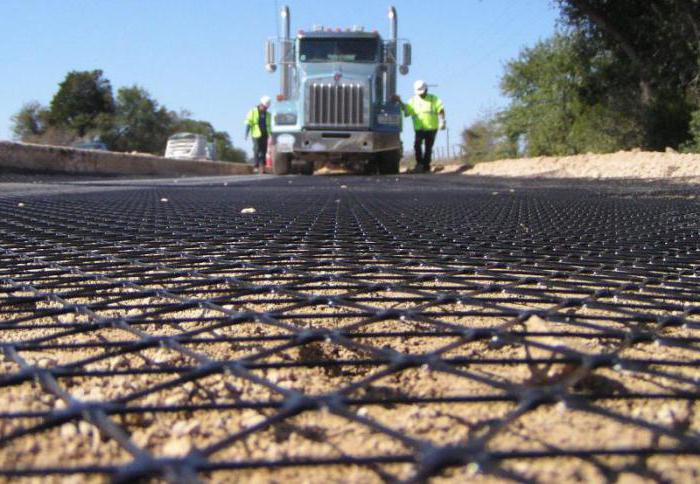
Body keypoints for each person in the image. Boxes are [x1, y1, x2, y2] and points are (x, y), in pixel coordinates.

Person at [394, 80, 446, 173]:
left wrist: (442, 121)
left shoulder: (433, 99)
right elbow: (406, 110)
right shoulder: (413, 101)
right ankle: (419, 164)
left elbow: (440, 109)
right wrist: (400, 101)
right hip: (419, 128)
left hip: (431, 128)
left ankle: (426, 167)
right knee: (417, 145)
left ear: (426, 89)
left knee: (428, 147)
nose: (421, 94)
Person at [244, 96, 272, 173]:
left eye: (267, 108)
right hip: (256, 133)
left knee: (264, 150)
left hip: (265, 134)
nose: (265, 109)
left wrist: (271, 135)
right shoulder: (253, 111)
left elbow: (270, 126)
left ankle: (262, 167)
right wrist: (246, 133)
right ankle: (256, 166)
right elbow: (248, 122)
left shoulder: (268, 114)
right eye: (265, 107)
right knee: (256, 149)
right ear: (261, 104)